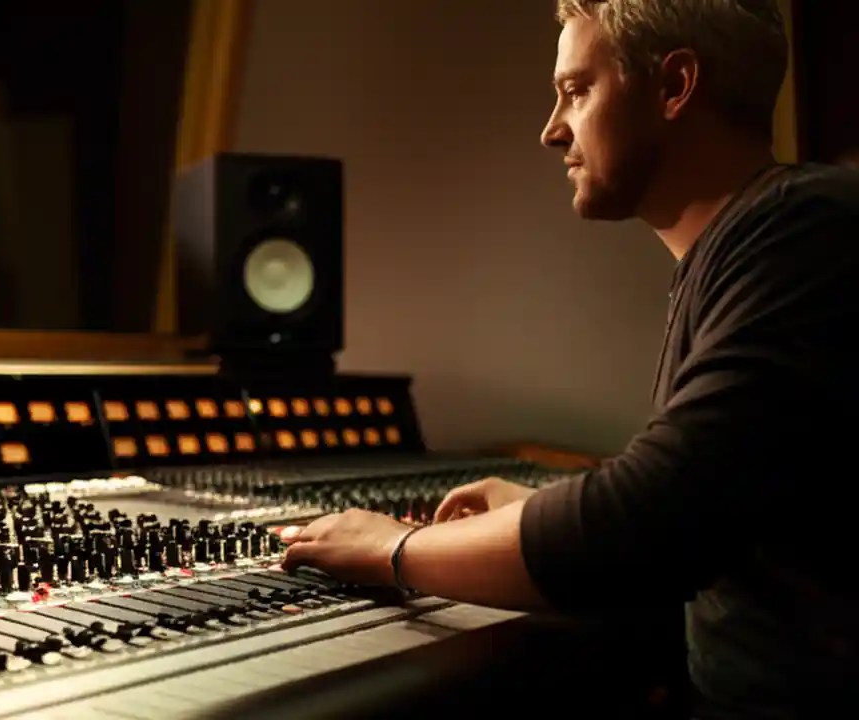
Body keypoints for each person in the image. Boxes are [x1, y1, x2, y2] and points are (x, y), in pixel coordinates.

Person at [277, 1, 859, 718]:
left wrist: (395, 550)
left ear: (674, 87)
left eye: (577, 91)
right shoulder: (754, 243)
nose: (553, 131)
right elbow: (719, 501)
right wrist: (539, 514)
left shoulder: (804, 231)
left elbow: (650, 522)